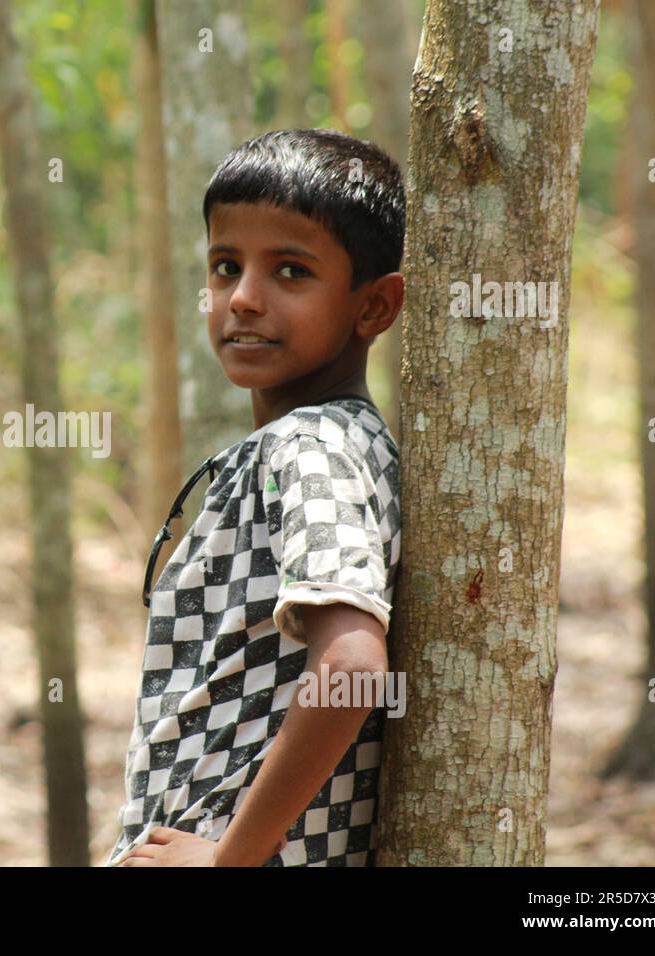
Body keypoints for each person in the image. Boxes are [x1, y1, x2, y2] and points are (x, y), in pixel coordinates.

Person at [108, 128, 404, 867]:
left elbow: (354, 665)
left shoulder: (310, 447)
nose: (242, 298)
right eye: (225, 266)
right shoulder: (331, 443)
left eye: (291, 271)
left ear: (374, 307)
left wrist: (226, 859)